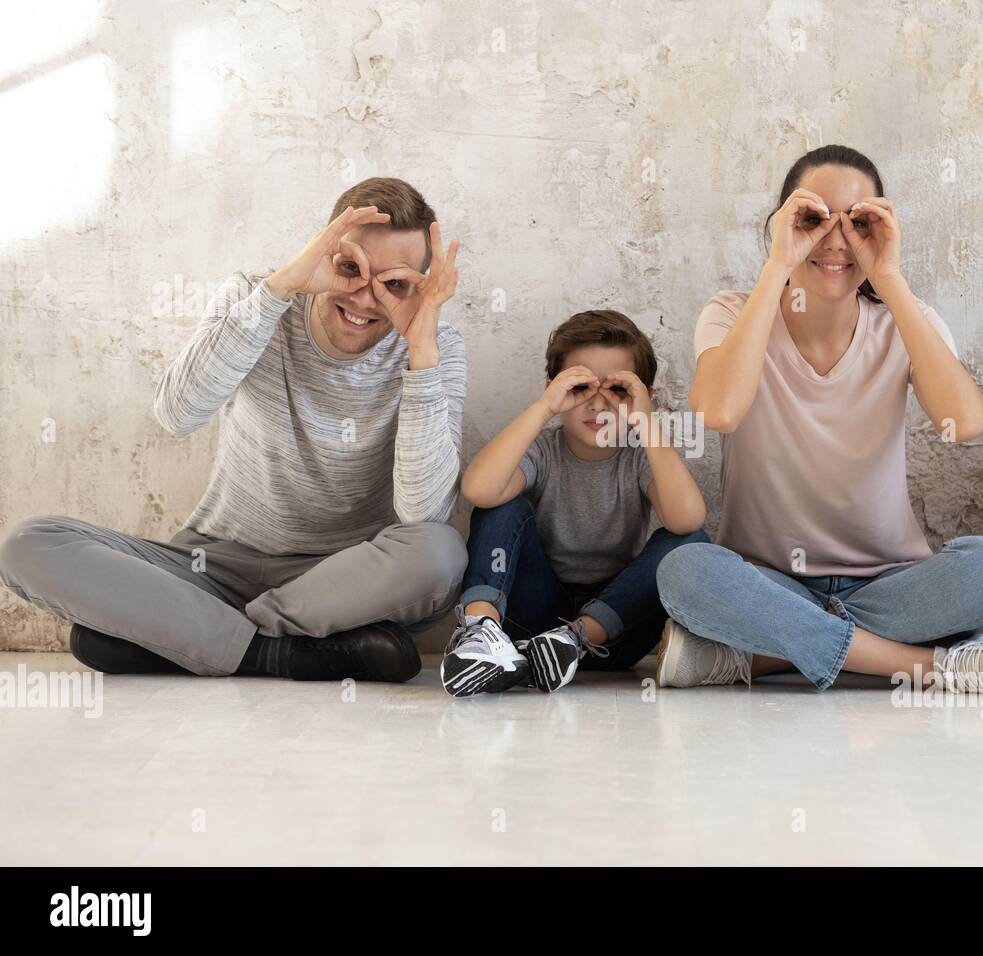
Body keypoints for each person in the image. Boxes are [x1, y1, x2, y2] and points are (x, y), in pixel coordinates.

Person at [0, 177, 467, 682]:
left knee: (439, 551)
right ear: (324, 250)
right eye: (350, 268)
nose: (365, 296)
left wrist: (422, 356)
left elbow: (422, 512)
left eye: (394, 284)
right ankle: (281, 653)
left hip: (343, 584)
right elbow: (179, 413)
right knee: (29, 543)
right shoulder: (256, 299)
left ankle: (196, 640)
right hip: (210, 568)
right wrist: (279, 289)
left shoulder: (435, 348)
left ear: (418, 289)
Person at [655, 145, 983, 696]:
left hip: (891, 581)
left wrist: (889, 277)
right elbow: (719, 412)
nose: (836, 241)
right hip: (770, 580)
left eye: (858, 222)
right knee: (683, 571)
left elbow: (965, 421)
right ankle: (940, 667)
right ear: (784, 222)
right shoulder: (733, 313)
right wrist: (778, 266)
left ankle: (759, 656)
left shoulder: (905, 321)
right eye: (814, 220)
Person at [443, 310, 708, 696]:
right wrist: (543, 408)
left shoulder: (641, 454)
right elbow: (479, 489)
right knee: (501, 502)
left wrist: (645, 423)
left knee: (690, 540)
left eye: (617, 390)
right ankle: (481, 635)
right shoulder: (545, 450)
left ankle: (572, 641)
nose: (597, 406)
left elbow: (687, 521)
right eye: (581, 388)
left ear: (642, 396)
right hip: (535, 620)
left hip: (614, 630)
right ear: (555, 389)